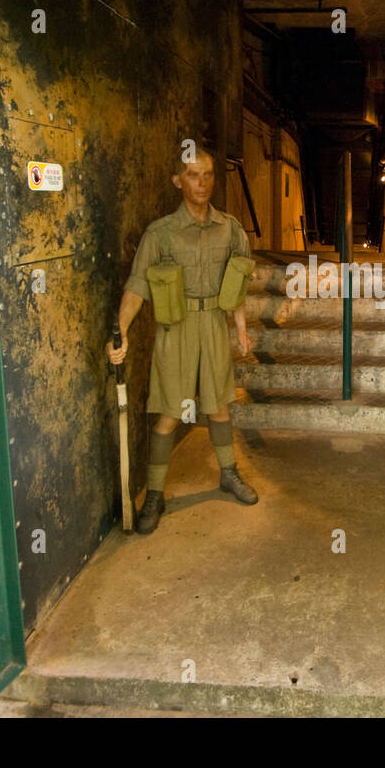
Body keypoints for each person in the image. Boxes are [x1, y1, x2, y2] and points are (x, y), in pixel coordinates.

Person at [105, 145, 259, 534]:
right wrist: (121, 329)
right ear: (178, 181)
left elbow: (237, 283)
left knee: (220, 407)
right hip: (176, 327)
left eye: (208, 175)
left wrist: (240, 328)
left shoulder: (230, 228)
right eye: (193, 175)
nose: (202, 183)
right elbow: (137, 287)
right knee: (171, 413)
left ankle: (228, 473)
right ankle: (155, 494)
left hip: (213, 324)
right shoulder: (160, 233)